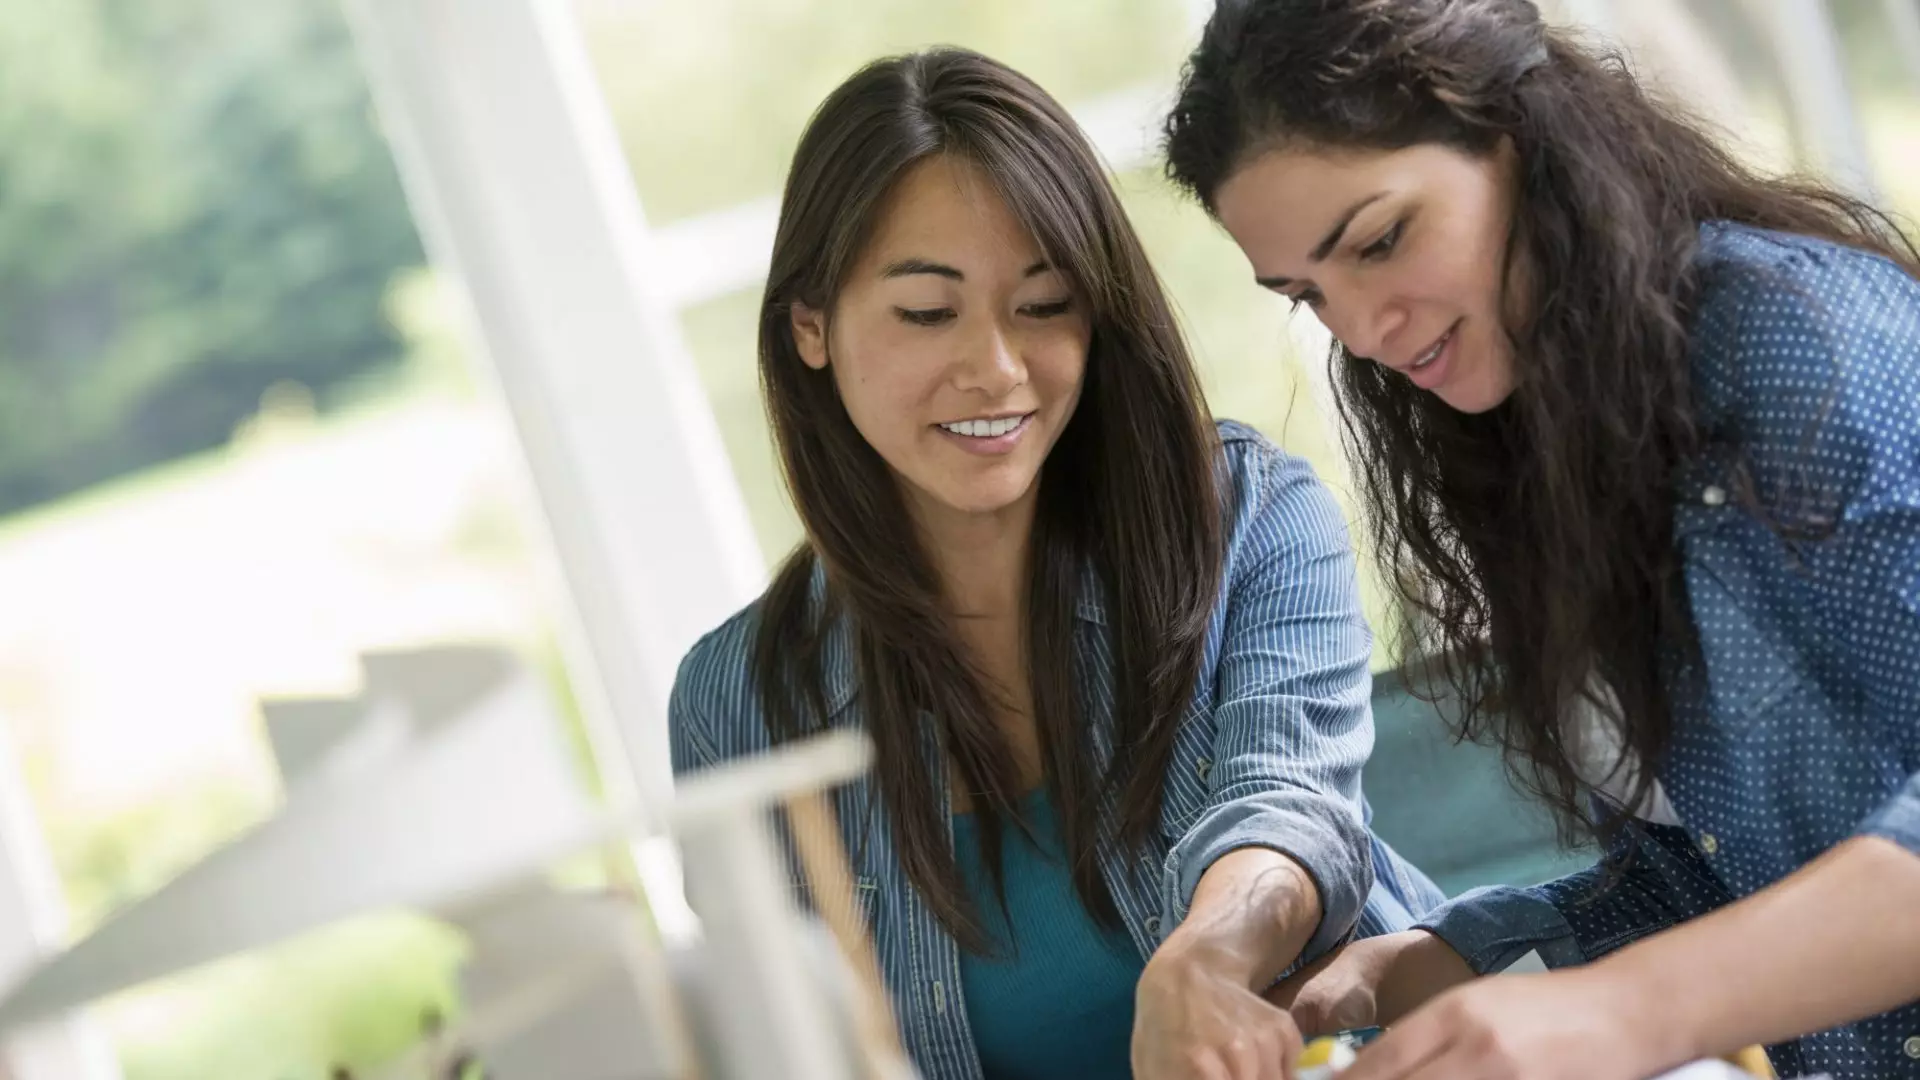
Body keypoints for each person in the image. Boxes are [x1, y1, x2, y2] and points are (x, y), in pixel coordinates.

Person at [1162, 1, 1920, 1078]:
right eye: (1308, 296)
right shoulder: (1544, 435)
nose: (1363, 331)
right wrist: (1427, 962)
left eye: (1380, 241)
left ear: (1515, 135)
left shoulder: (1794, 341)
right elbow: (1739, 864)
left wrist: (1625, 1011)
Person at [669, 46, 1444, 1080]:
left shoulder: (1249, 517)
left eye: (1043, 306)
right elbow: (782, 1042)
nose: (995, 367)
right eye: (926, 312)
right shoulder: (738, 706)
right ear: (811, 327)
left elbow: (1288, 803)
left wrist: (1207, 960)